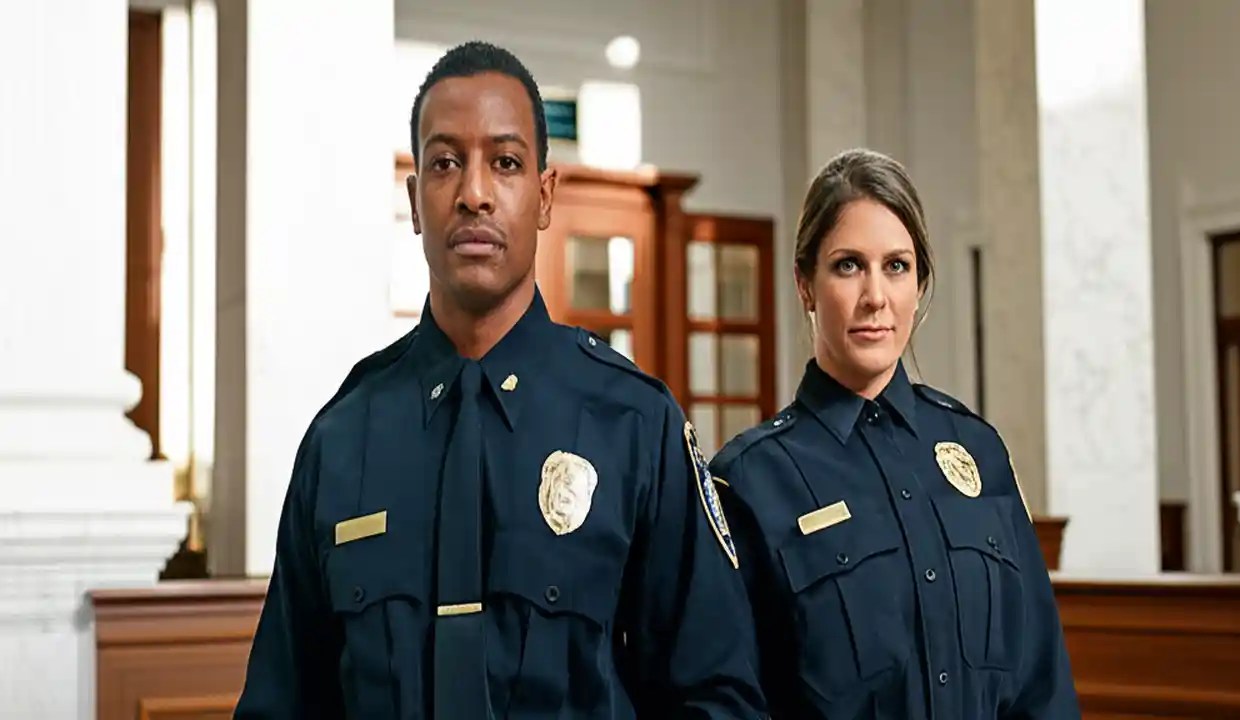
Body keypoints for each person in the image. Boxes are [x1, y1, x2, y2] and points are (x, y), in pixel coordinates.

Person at [235, 41, 765, 719]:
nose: (474, 193)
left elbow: (718, 696)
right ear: (415, 199)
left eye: (506, 163)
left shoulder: (634, 423)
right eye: (446, 162)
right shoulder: (344, 437)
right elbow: (280, 702)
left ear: (544, 195)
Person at [709, 149, 1080, 719]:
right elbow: (731, 701)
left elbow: (1041, 685)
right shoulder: (751, 480)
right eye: (848, 265)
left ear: (920, 282)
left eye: (897, 266)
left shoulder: (979, 452)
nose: (875, 297)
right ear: (805, 284)